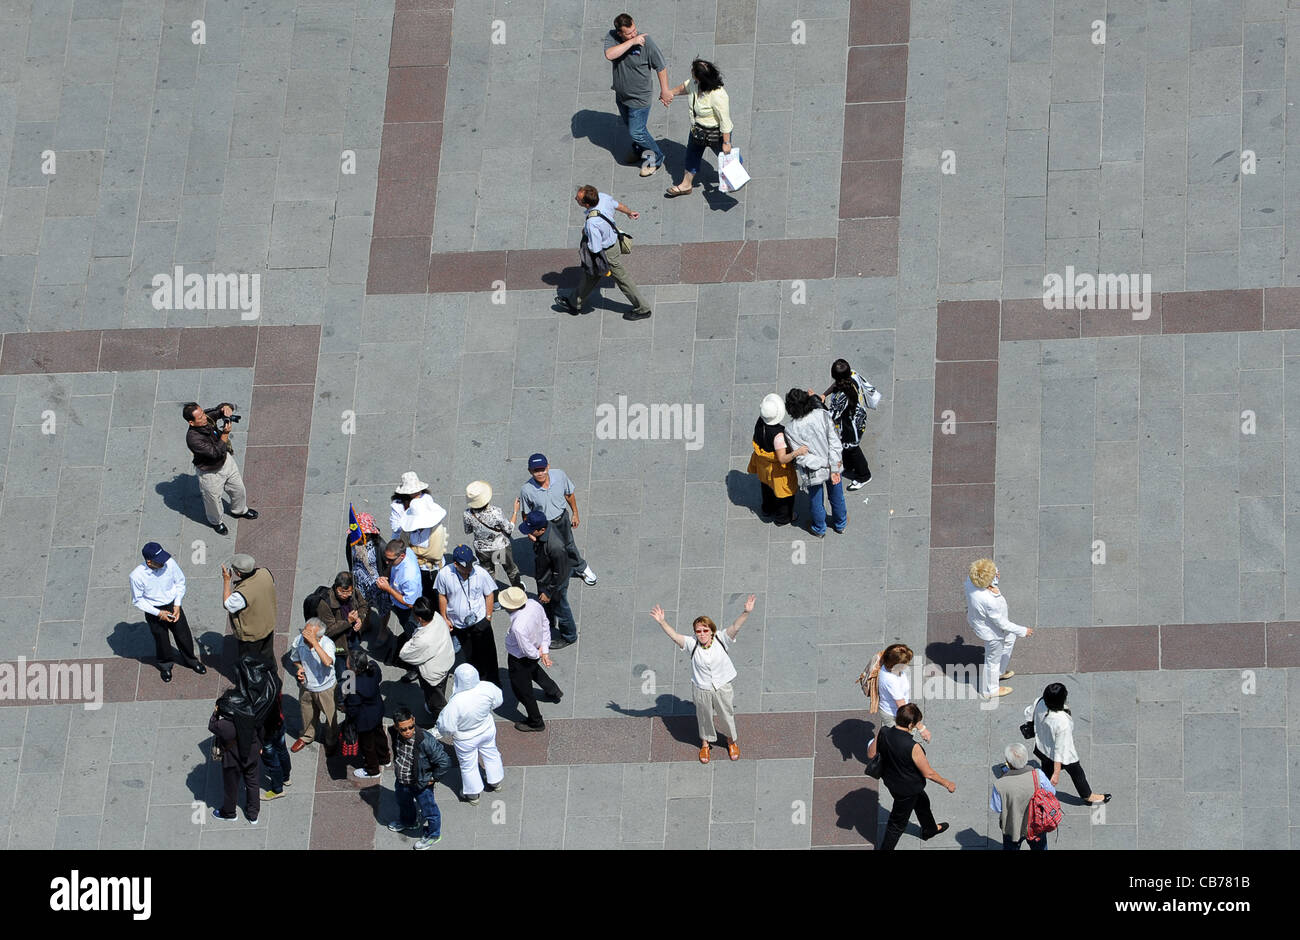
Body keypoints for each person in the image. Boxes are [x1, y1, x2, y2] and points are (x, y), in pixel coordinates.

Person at [650, 595, 754, 763]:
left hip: (722, 686)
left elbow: (736, 626)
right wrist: (662, 622)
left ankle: (730, 741)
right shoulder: (692, 644)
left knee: (727, 715)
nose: (702, 634)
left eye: (705, 630)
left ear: (712, 630)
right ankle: (705, 744)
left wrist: (746, 612)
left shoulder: (721, 638)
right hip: (702, 688)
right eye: (698, 631)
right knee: (704, 717)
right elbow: (675, 636)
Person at [557, 186, 652, 321]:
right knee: (591, 276)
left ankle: (643, 309)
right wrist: (629, 212)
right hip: (614, 241)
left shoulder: (592, 223)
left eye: (578, 199)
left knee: (623, 280)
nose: (575, 199)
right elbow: (618, 205)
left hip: (606, 254)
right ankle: (574, 303)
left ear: (587, 204)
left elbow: (595, 248)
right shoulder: (603, 197)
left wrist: (585, 234)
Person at [867, 703, 954, 850]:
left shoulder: (883, 732)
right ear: (910, 725)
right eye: (915, 724)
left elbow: (870, 754)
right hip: (907, 789)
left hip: (891, 781)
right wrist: (947, 783)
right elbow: (928, 773)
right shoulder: (913, 746)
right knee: (896, 825)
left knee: (922, 802)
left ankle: (930, 829)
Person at [603, 12, 670, 176]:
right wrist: (632, 42)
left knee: (636, 132)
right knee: (632, 128)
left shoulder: (647, 42)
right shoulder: (613, 37)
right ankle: (639, 148)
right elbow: (609, 54)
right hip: (622, 96)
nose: (635, 34)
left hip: (640, 99)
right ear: (620, 33)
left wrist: (665, 90)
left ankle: (655, 159)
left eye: (634, 30)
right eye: (629, 33)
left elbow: (660, 66)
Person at [128, 541, 205, 682]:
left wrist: (177, 605)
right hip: (154, 610)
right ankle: (165, 665)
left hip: (172, 604)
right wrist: (158, 613)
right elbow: (138, 600)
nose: (164, 562)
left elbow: (180, 582)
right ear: (149, 561)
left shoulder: (169, 563)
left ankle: (191, 661)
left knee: (183, 634)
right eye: (159, 561)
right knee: (161, 639)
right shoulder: (136, 576)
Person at [516, 453, 597, 584]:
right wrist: (531, 532)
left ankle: (581, 567)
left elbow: (569, 494)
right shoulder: (526, 490)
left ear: (548, 467)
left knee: (569, 545)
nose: (540, 473)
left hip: (562, 519)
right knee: (545, 551)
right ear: (530, 471)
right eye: (536, 471)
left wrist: (575, 513)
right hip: (543, 526)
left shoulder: (559, 475)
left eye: (542, 469)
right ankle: (553, 572)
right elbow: (526, 513)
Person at [434, 664, 505, 805]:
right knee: (491, 753)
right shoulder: (487, 687)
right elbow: (498, 701)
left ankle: (473, 795)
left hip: (465, 739)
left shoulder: (456, 703)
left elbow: (446, 726)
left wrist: (438, 733)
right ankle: (496, 782)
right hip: (486, 729)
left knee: (468, 765)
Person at [183, 401, 257, 535]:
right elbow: (215, 453)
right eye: (200, 417)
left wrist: (227, 408)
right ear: (191, 423)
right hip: (209, 472)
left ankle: (239, 510)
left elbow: (220, 409)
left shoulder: (206, 418)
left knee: (238, 489)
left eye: (203, 413)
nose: (204, 417)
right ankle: (216, 522)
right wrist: (225, 434)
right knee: (213, 501)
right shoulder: (193, 439)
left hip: (226, 462)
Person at [1030, 682, 1111, 805]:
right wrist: (1057, 774)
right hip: (1062, 754)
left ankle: (1042, 792)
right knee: (1076, 772)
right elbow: (1060, 750)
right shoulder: (1062, 722)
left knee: (1046, 769)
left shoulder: (1039, 702)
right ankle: (1088, 796)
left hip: (1042, 747)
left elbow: (1028, 713)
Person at [782, 388, 847, 536]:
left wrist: (822, 463)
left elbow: (801, 457)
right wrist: (832, 465)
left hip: (813, 472)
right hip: (834, 465)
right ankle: (840, 524)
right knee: (837, 497)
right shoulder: (823, 415)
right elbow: (835, 442)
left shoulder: (790, 429)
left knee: (816, 501)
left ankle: (819, 528)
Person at [664, 59, 734, 197]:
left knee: (727, 157)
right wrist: (669, 94)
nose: (691, 72)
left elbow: (725, 121)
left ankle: (736, 173)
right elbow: (684, 88)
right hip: (697, 131)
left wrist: (726, 142)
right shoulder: (694, 83)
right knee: (692, 155)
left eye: (693, 71)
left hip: (716, 134)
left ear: (701, 78)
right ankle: (686, 185)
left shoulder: (718, 95)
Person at [387, 706, 454, 850]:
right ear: (396, 727)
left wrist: (433, 778)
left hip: (421, 783)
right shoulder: (393, 732)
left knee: (429, 810)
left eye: (410, 727)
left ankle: (433, 835)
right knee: (403, 803)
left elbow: (445, 761)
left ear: (414, 720)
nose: (408, 731)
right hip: (402, 780)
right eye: (403, 729)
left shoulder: (425, 740)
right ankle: (409, 822)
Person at [964, 558, 1033, 697]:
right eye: (994, 574)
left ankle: (999, 673)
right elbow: (1001, 623)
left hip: (983, 623)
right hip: (992, 632)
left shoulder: (970, 581)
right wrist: (1023, 631)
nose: (998, 574)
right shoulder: (989, 600)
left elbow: (986, 575)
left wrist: (994, 576)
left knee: (1009, 638)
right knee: (992, 660)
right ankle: (991, 690)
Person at [434, 545, 500, 683]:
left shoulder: (480, 573)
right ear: (456, 564)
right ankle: (477, 682)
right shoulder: (444, 574)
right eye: (465, 566)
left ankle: (494, 684)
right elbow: (442, 596)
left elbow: (489, 594)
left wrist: (488, 617)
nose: (469, 568)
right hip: (459, 624)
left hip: (481, 620)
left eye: (471, 564)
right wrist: (444, 618)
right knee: (471, 656)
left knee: (489, 656)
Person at [500, 586, 562, 732]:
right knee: (534, 670)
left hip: (520, 657)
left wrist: (537, 654)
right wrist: (544, 649)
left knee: (522, 690)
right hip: (536, 648)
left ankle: (536, 721)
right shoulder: (534, 604)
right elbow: (545, 624)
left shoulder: (518, 627)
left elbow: (526, 650)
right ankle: (553, 690)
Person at [746, 393, 806, 526]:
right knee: (784, 494)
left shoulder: (760, 422)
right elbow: (783, 459)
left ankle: (767, 509)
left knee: (766, 487)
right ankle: (783, 518)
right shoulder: (778, 435)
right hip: (777, 470)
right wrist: (797, 452)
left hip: (762, 464)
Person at [519, 511, 577, 648]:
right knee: (548, 604)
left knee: (561, 608)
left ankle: (569, 636)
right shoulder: (544, 531)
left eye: (532, 530)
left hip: (554, 583)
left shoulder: (555, 547)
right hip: (545, 577)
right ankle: (549, 622)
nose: (530, 533)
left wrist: (548, 592)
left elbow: (560, 573)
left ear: (542, 529)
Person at [820, 358, 878, 490]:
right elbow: (836, 384)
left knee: (853, 449)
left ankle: (864, 475)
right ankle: (849, 464)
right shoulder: (852, 374)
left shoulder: (842, 395)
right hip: (858, 418)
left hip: (850, 427)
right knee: (847, 447)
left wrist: (817, 403)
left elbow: (832, 415)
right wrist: (825, 394)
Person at [209, 689, 263, 823]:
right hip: (251, 755)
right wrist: (260, 746)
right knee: (253, 784)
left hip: (232, 761)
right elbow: (261, 731)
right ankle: (253, 815)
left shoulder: (223, 725)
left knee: (230, 788)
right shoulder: (252, 716)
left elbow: (211, 725)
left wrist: (215, 712)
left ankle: (229, 813)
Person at [399, 598, 456, 720]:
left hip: (432, 675)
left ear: (419, 618)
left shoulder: (423, 639)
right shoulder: (437, 617)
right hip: (445, 663)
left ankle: (442, 721)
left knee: (436, 702)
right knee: (440, 690)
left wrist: (412, 638)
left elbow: (405, 654)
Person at [991, 742, 1055, 850]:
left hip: (1012, 827)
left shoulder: (1000, 785)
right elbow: (1052, 792)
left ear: (1008, 763)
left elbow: (997, 808)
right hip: (1036, 824)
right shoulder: (1038, 775)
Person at [288, 618, 338, 754]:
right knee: (307, 715)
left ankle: (331, 740)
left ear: (320, 636)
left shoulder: (328, 644)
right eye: (305, 632)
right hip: (307, 687)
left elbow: (328, 662)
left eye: (310, 634)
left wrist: (315, 644)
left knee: (330, 718)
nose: (305, 636)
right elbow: (295, 659)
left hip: (326, 689)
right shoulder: (299, 640)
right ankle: (307, 736)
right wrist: (299, 668)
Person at [378, 536, 423, 681]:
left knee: (414, 636)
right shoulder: (406, 553)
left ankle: (418, 668)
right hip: (399, 604)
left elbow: (409, 603)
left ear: (402, 555)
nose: (387, 562)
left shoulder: (409, 576)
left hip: (408, 610)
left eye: (391, 560)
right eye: (387, 558)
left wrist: (388, 589)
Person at [343, 648, 391, 780]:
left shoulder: (353, 684)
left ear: (354, 668)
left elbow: (353, 707)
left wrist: (348, 716)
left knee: (367, 745)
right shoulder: (374, 668)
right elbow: (379, 677)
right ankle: (385, 758)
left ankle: (372, 769)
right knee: (380, 735)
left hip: (364, 719)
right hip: (377, 710)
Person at [464, 481, 523, 587]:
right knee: (510, 569)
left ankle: (493, 595)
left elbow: (468, 531)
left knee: (489, 573)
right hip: (499, 547)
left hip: (482, 550)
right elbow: (509, 529)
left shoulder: (467, 514)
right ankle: (517, 590)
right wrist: (515, 511)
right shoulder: (496, 512)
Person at [390, 472, 447, 577]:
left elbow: (435, 553)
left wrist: (414, 551)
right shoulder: (397, 506)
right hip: (414, 565)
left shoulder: (426, 500)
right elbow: (396, 528)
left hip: (432, 568)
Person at [221, 553, 276, 662]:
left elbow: (227, 604)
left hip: (252, 633)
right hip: (268, 624)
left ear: (238, 573)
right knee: (267, 653)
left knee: (249, 660)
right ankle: (271, 671)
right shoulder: (265, 573)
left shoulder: (242, 594)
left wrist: (227, 581)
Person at [872, 644, 929, 740]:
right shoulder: (892, 681)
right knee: (899, 740)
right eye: (905, 664)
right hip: (894, 716)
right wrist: (921, 728)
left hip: (892, 711)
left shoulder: (886, 664)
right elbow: (903, 708)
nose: (907, 665)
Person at [315, 571, 368, 662]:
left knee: (356, 664)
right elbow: (328, 631)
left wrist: (360, 618)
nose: (345, 595)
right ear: (336, 587)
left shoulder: (354, 592)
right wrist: (348, 622)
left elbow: (363, 606)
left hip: (353, 636)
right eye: (341, 591)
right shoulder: (324, 603)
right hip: (337, 643)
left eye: (348, 592)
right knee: (342, 669)